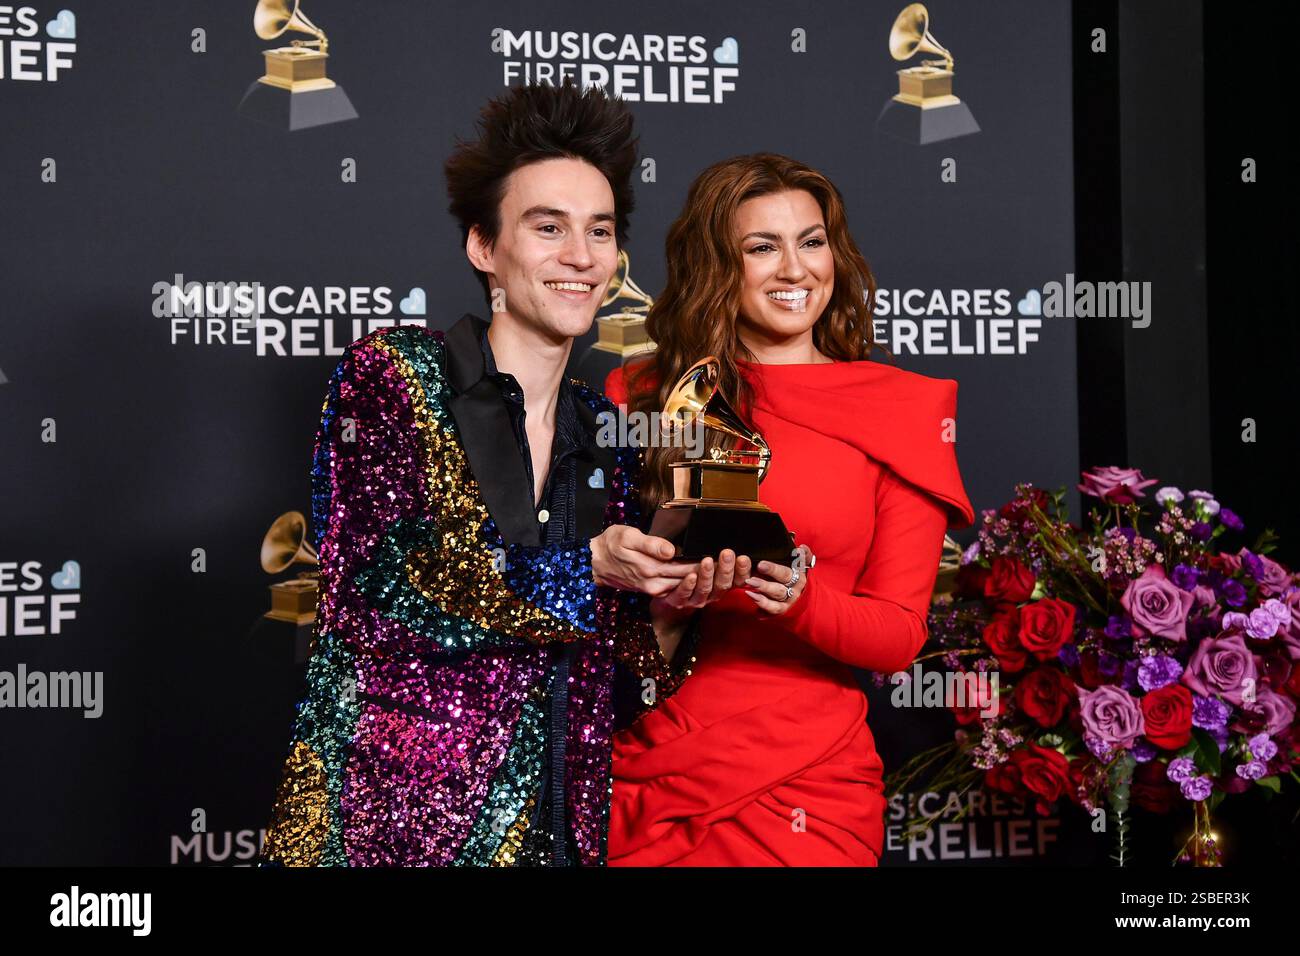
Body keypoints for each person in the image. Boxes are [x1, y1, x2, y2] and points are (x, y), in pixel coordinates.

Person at [257, 80, 743, 867]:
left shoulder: (607, 435)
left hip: (558, 832)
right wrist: (584, 565)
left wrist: (669, 608)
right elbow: (383, 588)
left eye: (599, 231)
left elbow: (605, 689)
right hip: (392, 827)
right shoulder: (399, 378)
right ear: (484, 246)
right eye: (547, 228)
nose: (580, 257)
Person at [604, 153, 976, 866]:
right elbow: (581, 596)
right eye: (762, 247)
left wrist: (803, 600)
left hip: (811, 779)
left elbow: (900, 635)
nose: (795, 269)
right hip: (655, 765)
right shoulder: (642, 394)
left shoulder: (901, 410)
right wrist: (657, 592)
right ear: (718, 263)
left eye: (811, 241)